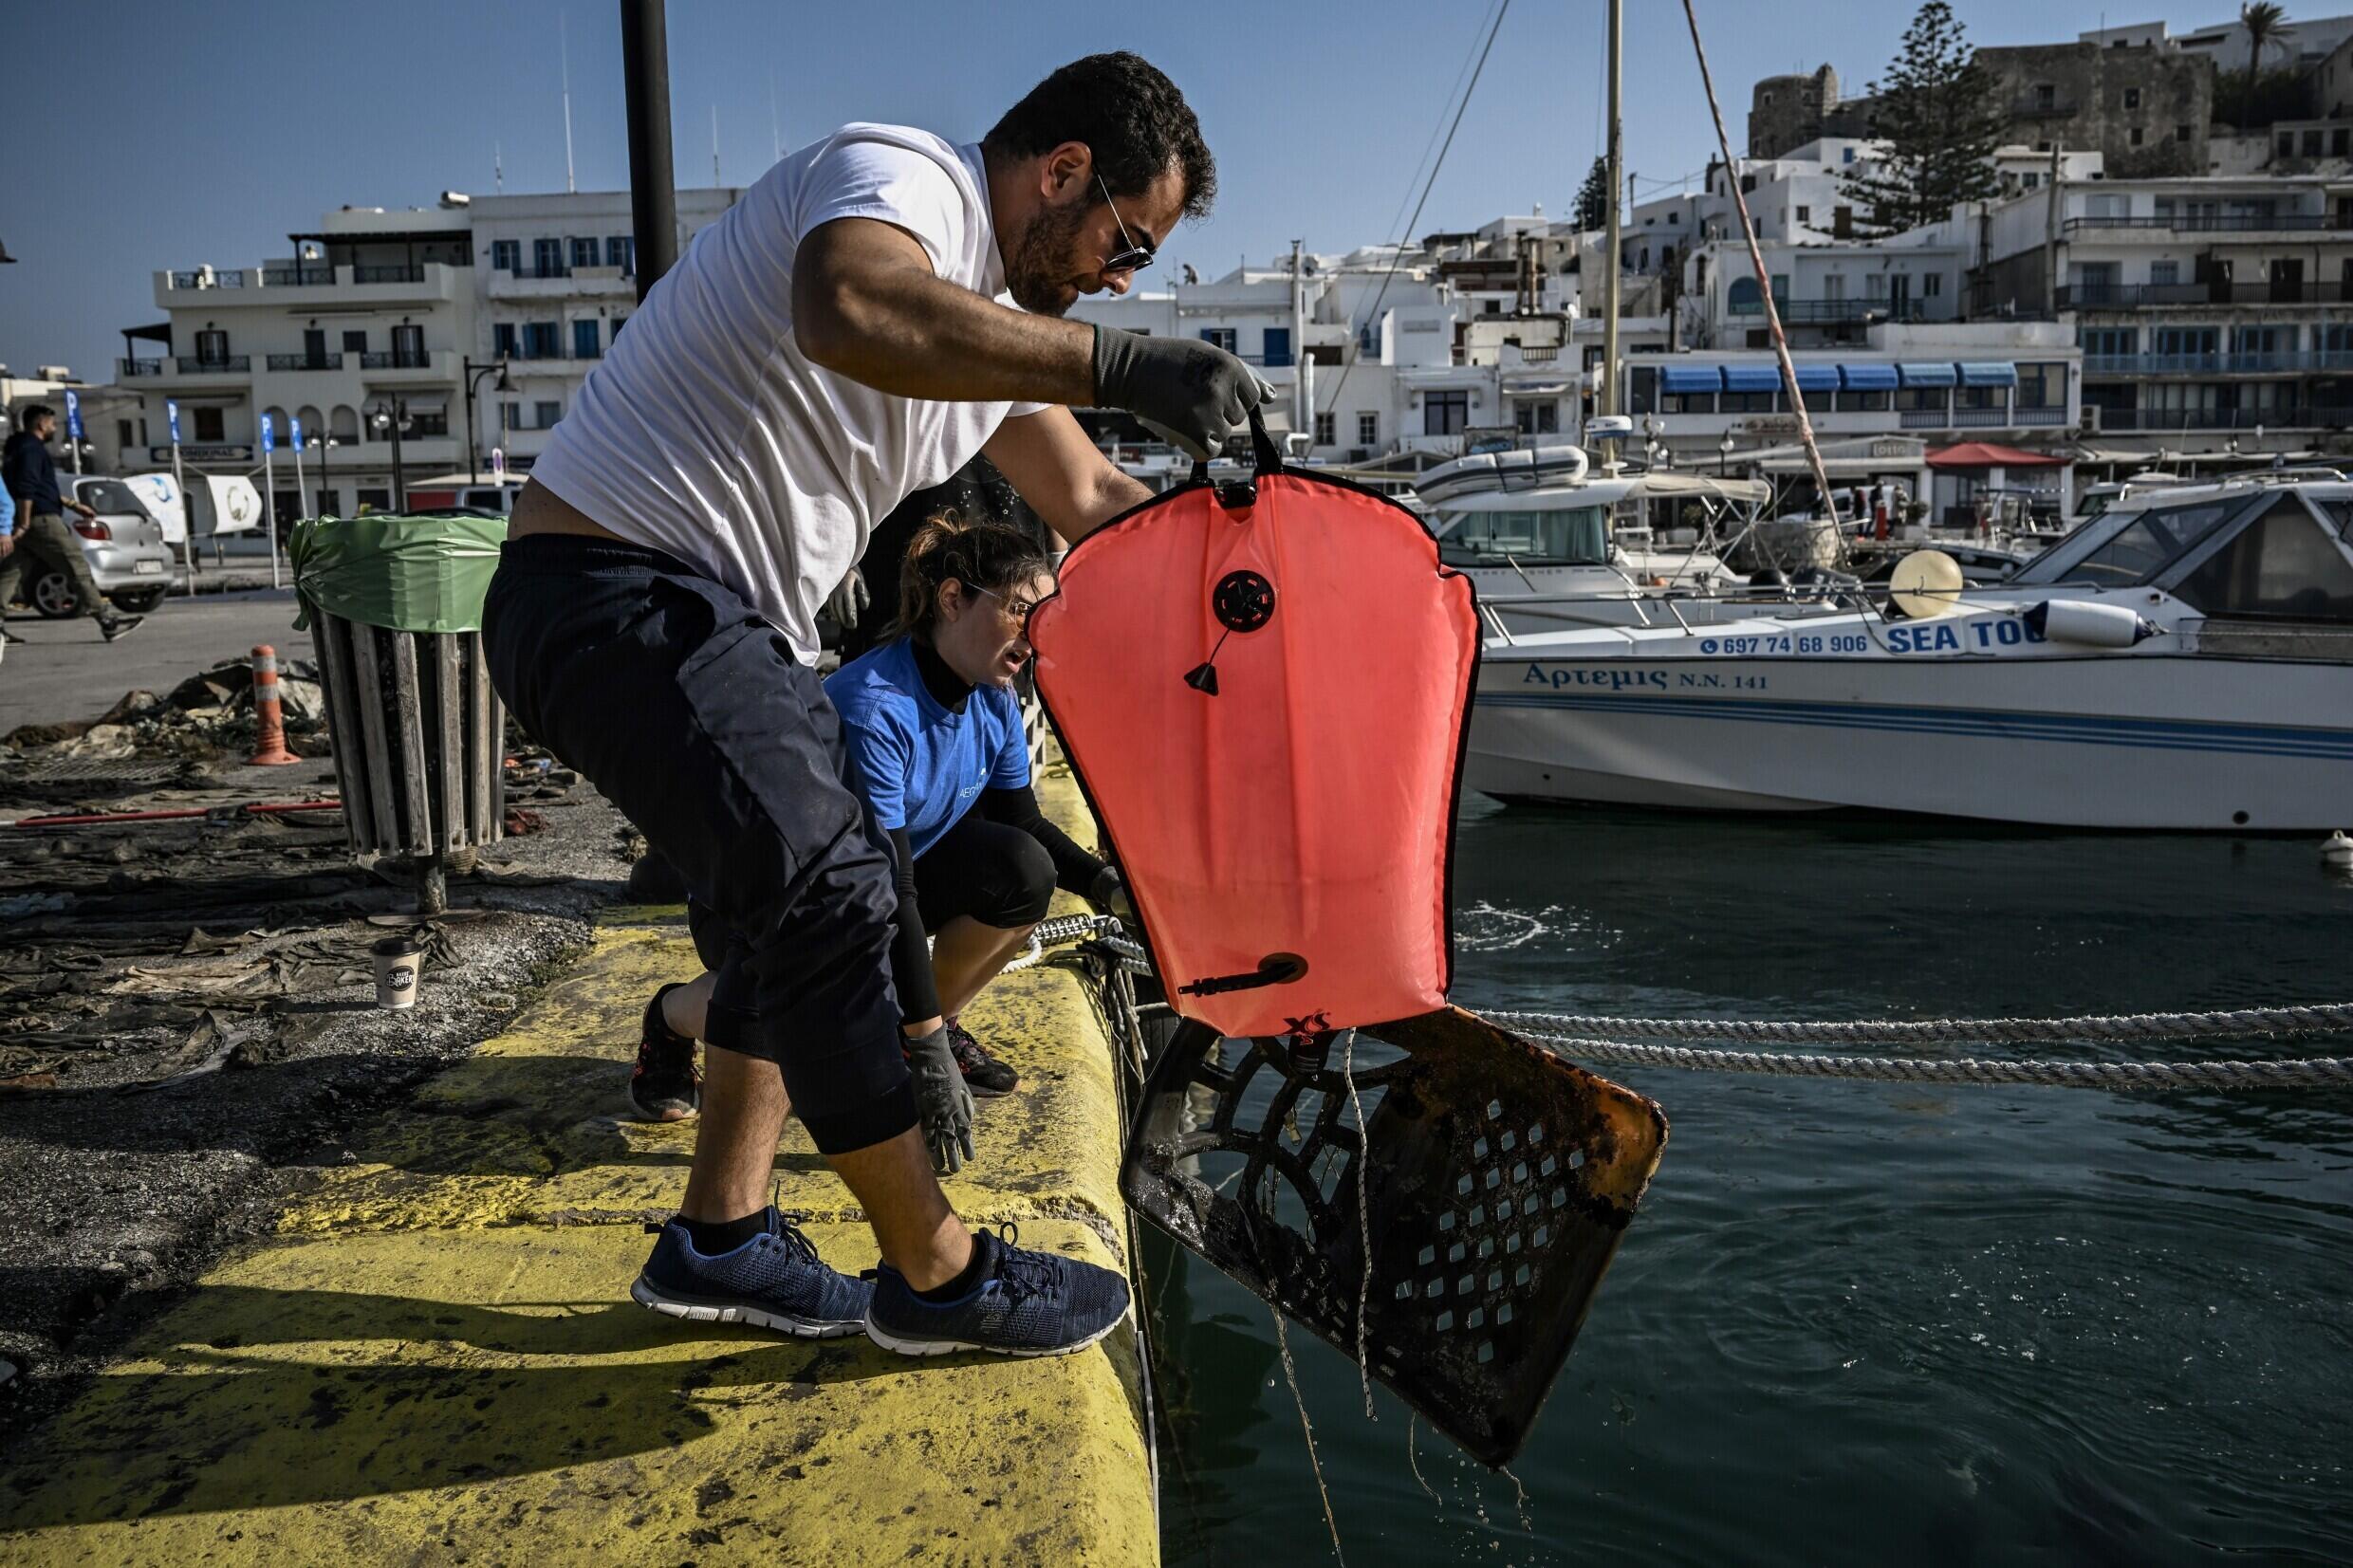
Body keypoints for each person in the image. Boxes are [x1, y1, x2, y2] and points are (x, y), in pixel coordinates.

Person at [483, 52, 1267, 1358]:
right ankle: (939, 1277)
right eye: (1125, 242)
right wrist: (1116, 360)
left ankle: (721, 1237)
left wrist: (1263, 559)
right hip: (612, 585)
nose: (1123, 279)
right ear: (1061, 170)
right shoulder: (901, 177)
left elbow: (1093, 509)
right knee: (839, 887)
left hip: (710, 618)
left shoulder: (981, 324)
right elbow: (846, 302)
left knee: (766, 931)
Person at [635, 516, 1126, 1120]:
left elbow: (1025, 826)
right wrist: (927, 1051)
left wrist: (1109, 888)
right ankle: (670, 1017)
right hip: (764, 892)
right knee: (817, 1002)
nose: (1037, 634)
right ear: (953, 600)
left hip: (864, 880)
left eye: (1045, 615)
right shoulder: (876, 710)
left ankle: (928, 1023)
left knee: (1022, 872)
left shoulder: (994, 697)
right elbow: (893, 890)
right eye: (1023, 610)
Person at [0, 406, 141, 640]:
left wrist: (73, 505)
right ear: (41, 424)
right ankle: (107, 621)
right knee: (76, 566)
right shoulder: (32, 450)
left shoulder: (17, 448)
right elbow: (27, 488)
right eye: (52, 424)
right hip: (40, 521)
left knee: (11, 572)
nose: (54, 429)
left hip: (28, 519)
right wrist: (24, 523)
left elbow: (40, 488)